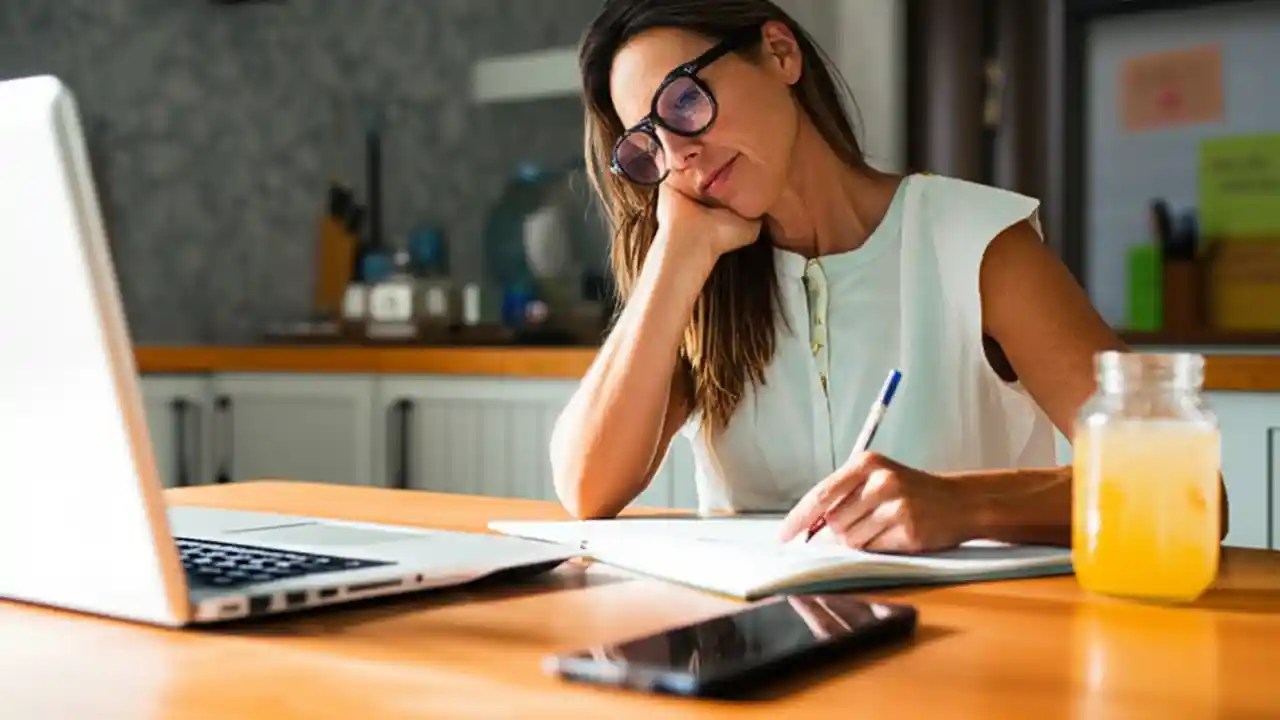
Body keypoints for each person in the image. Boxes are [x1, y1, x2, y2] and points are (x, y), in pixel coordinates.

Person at [550, 0, 1227, 552]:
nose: (680, 152)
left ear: (781, 54)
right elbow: (585, 488)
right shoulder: (703, 283)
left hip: (968, 661)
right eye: (648, 146)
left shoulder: (978, 243)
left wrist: (964, 504)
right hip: (758, 664)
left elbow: (1189, 495)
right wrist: (675, 258)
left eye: (684, 102)